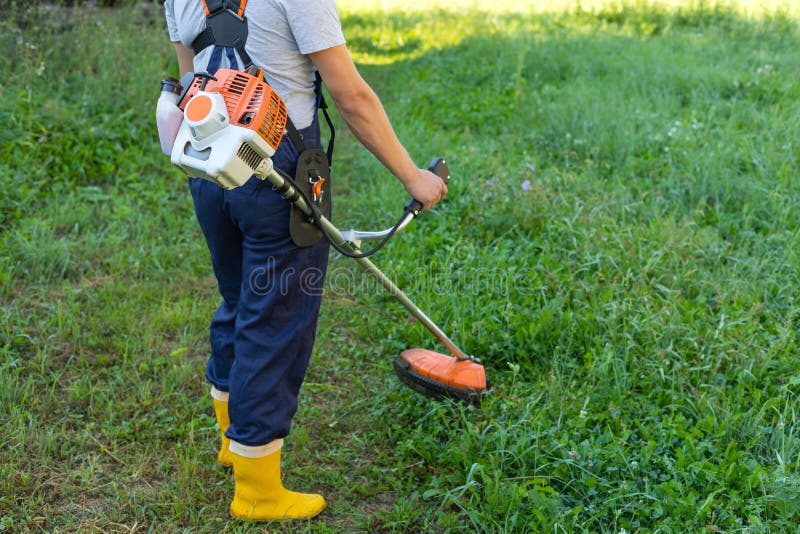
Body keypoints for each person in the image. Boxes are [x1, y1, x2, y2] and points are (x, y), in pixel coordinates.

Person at [163, 0, 447, 521]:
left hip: (208, 165)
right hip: (279, 169)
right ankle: (257, 492)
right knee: (274, 321)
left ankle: (235, 443)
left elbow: (189, 83)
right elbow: (350, 96)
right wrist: (414, 177)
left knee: (239, 300)